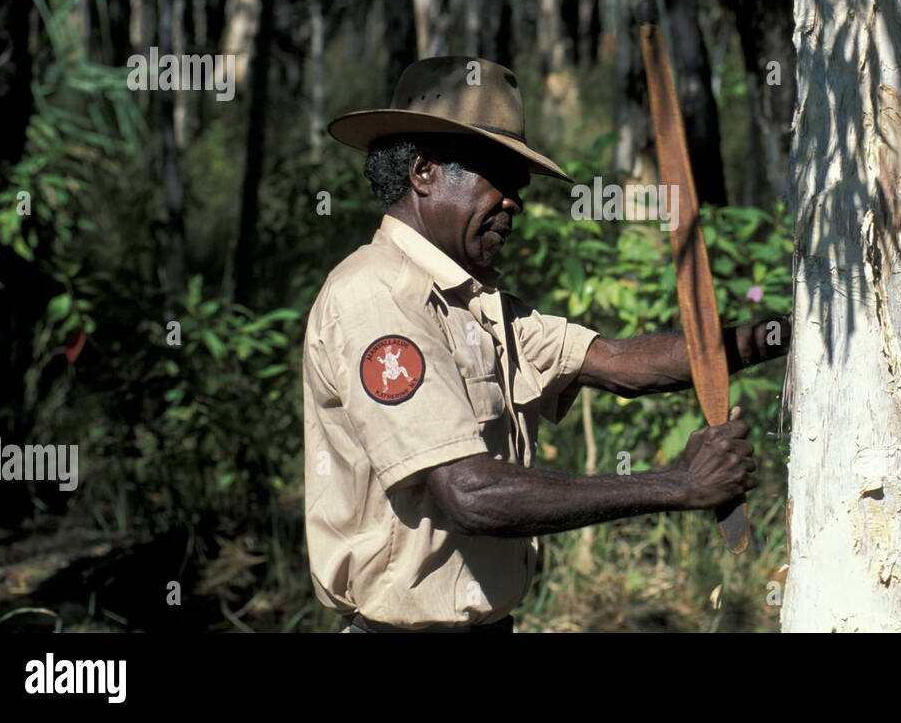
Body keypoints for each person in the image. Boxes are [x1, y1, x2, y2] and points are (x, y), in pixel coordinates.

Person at [303, 56, 788, 632]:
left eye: (519, 185)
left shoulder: (477, 303)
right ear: (424, 170)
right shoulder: (376, 297)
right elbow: (471, 492)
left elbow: (618, 364)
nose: (514, 202)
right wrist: (679, 485)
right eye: (497, 177)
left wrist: (789, 331)